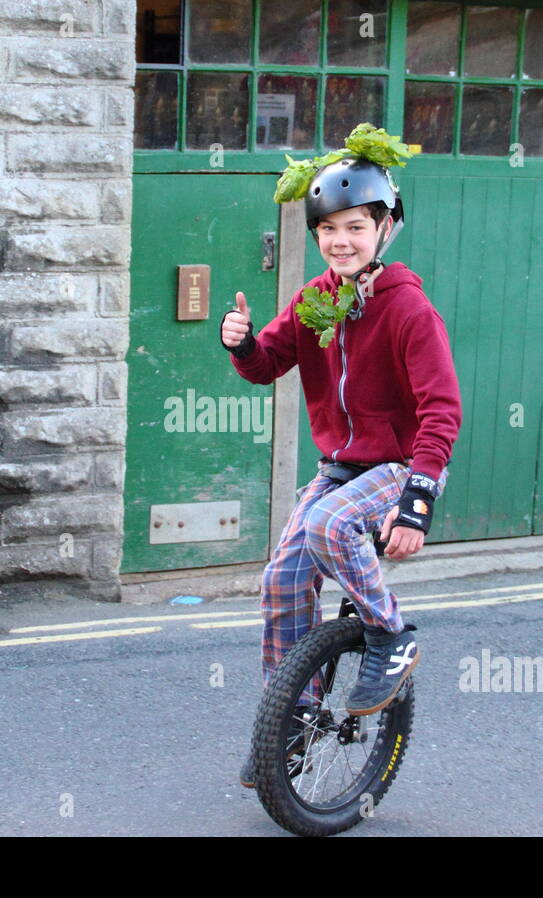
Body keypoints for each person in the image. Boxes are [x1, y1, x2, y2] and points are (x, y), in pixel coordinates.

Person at [219, 154, 462, 788]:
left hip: (398, 464)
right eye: (328, 229)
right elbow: (267, 362)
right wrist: (241, 341)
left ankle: (390, 634)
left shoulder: (410, 310)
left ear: (386, 229)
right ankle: (293, 724)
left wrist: (418, 500)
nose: (340, 240)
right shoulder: (314, 302)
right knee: (280, 580)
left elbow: (442, 410)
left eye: (356, 226)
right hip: (340, 467)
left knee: (329, 524)